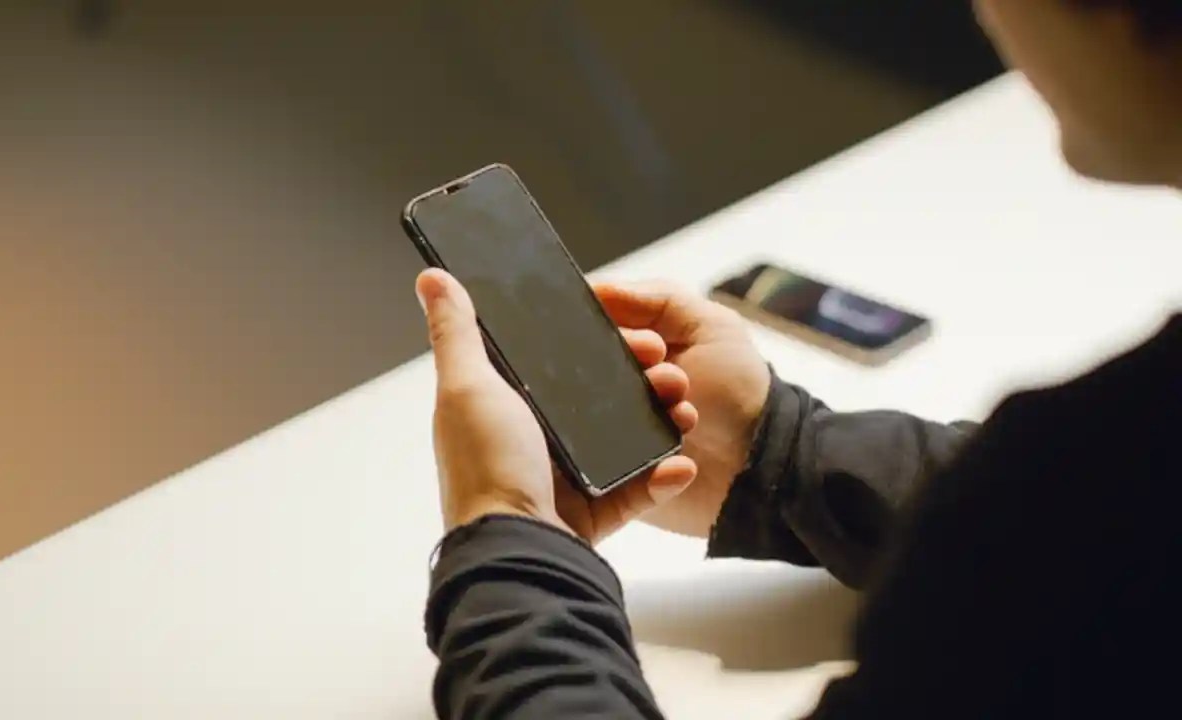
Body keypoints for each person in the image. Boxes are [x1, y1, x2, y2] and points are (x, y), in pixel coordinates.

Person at [418, 1, 1182, 717]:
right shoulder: (1097, 484)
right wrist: (786, 457)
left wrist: (510, 548)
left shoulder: (1084, 486)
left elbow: (1096, 526)